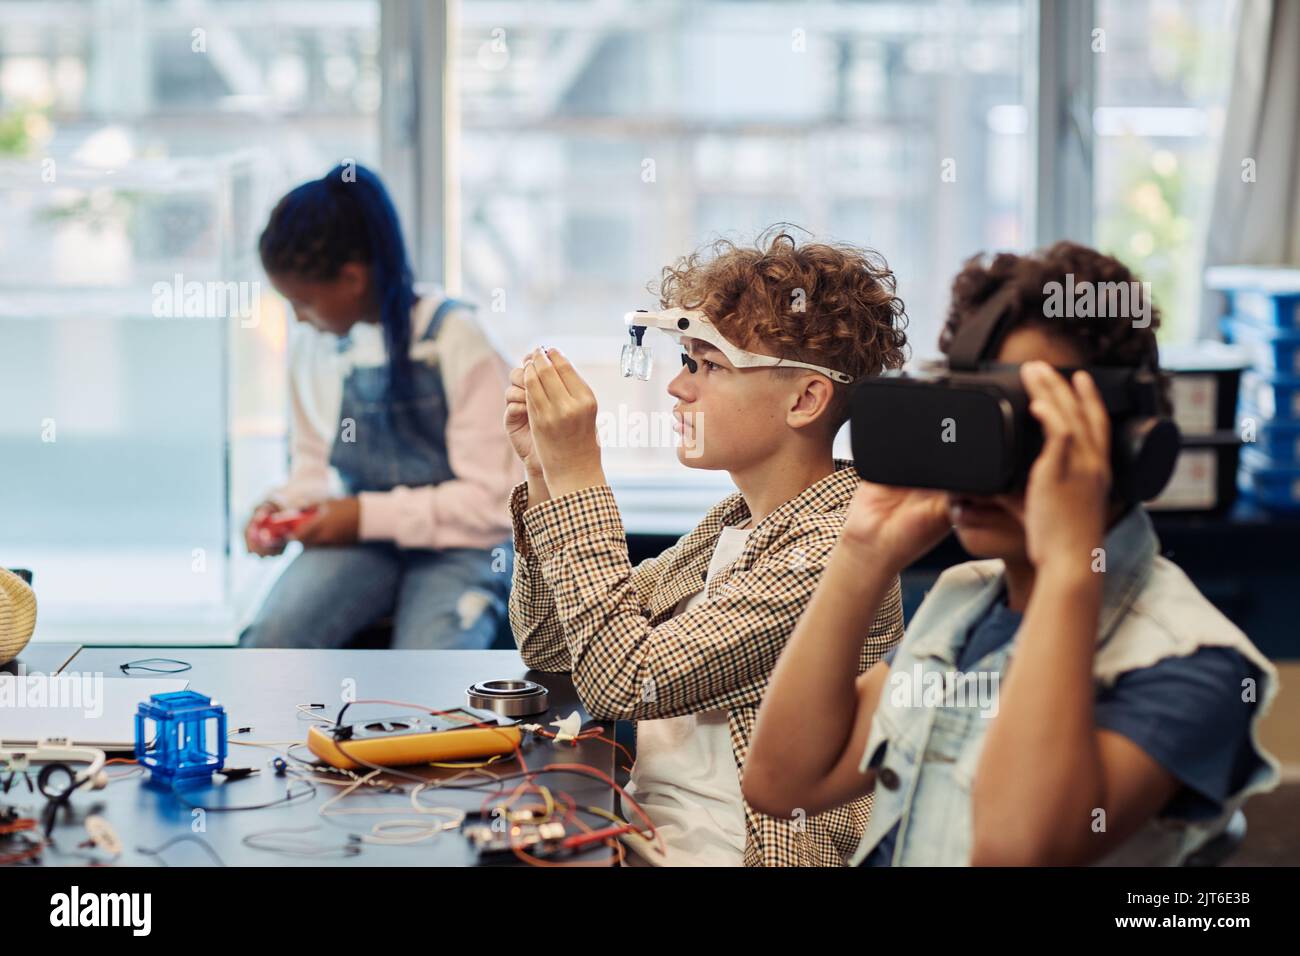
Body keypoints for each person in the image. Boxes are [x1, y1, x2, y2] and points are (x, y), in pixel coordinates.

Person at [744, 242, 1280, 866]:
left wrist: (1069, 566)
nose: (979, 460)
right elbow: (784, 784)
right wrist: (862, 553)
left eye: (1023, 425)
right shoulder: (963, 603)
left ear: (1124, 449)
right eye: (969, 414)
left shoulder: (1195, 664)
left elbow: (1014, 851)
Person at [505, 228, 909, 865]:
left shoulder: (833, 548)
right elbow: (554, 647)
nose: (678, 388)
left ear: (806, 399)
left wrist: (581, 476)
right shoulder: (737, 523)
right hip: (646, 835)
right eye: (685, 361)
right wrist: (545, 477)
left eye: (709, 365)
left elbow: (623, 679)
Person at [241, 163, 519, 650]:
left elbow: (493, 505)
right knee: (271, 643)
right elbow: (315, 470)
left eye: (303, 302)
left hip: (464, 546)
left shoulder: (456, 340)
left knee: (428, 677)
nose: (299, 320)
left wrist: (362, 515)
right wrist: (282, 508)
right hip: (365, 543)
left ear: (351, 278)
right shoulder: (317, 349)